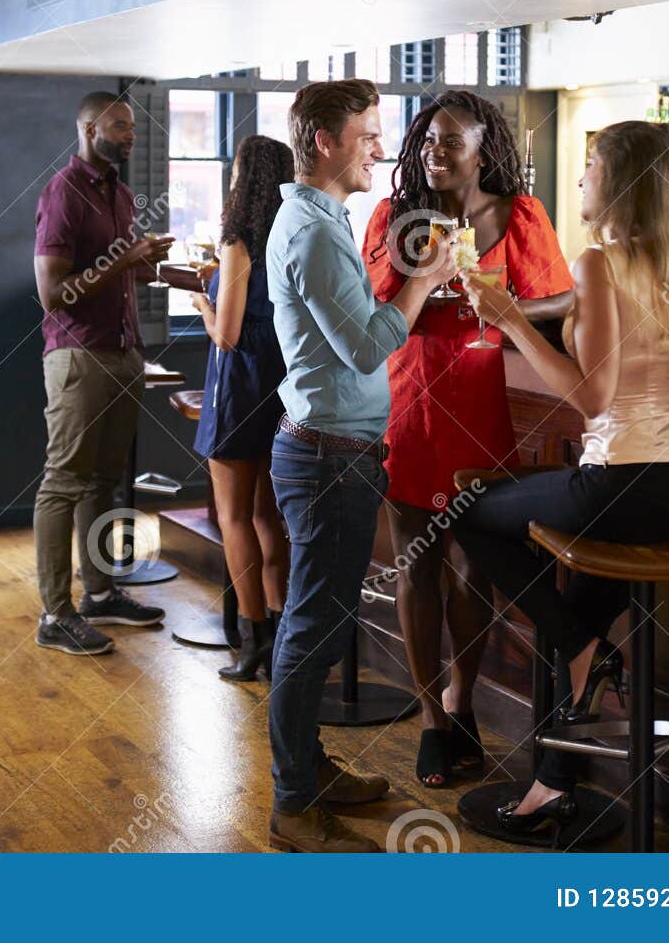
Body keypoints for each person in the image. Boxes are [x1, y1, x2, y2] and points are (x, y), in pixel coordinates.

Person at [454, 120, 669, 835]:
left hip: (622, 482)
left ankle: (572, 642)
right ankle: (549, 789)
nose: (582, 178)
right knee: (583, 608)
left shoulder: (601, 262)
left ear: (620, 183)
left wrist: (509, 322)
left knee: (467, 509)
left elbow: (593, 397)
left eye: (590, 165)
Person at [263, 78, 458, 853]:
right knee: (311, 629)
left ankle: (306, 769)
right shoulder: (312, 231)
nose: (381, 145)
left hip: (330, 451)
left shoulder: (320, 220)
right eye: (369, 133)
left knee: (317, 625)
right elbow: (371, 343)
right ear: (323, 141)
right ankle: (290, 802)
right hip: (326, 459)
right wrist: (427, 277)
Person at [361, 91, 574, 788]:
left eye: (452, 140)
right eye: (428, 139)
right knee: (417, 566)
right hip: (411, 400)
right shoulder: (395, 217)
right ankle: (430, 719)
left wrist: (499, 305)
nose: (434, 152)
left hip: (480, 404)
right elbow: (375, 309)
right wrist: (429, 278)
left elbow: (565, 299)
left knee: (474, 567)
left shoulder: (520, 216)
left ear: (487, 148)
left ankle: (462, 702)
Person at [31, 91, 173, 657]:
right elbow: (51, 295)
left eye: (133, 127)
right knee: (63, 482)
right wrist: (122, 258)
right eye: (121, 126)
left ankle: (100, 594)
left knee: (103, 481)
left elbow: (114, 274)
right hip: (78, 355)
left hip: (123, 352)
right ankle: (54, 615)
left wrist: (146, 263)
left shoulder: (119, 193)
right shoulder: (61, 193)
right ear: (89, 129)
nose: (132, 135)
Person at [189, 135, 295, 682]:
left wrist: (204, 305)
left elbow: (226, 336)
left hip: (238, 385)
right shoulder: (289, 235)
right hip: (279, 383)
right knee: (267, 515)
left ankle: (250, 641)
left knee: (233, 517)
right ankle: (279, 638)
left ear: (241, 179)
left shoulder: (237, 243)